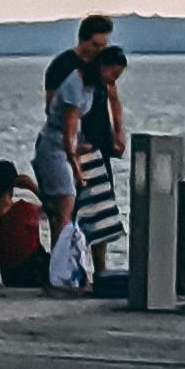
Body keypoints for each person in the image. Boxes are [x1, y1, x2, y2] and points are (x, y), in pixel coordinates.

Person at [34, 14, 112, 244]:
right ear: (84, 41)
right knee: (64, 207)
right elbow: (53, 108)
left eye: (103, 46)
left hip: (93, 145)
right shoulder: (63, 68)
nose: (99, 51)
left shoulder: (98, 72)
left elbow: (106, 101)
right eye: (95, 45)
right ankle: (63, 263)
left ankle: (96, 270)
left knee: (99, 215)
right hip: (67, 144)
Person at [75, 43, 129, 280]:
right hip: (87, 150)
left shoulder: (105, 89)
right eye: (113, 74)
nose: (114, 80)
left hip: (100, 150)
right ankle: (79, 264)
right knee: (84, 209)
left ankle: (100, 267)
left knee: (102, 211)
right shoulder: (87, 87)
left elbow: (114, 110)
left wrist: (118, 136)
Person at [0, 158, 49, 290]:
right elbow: (53, 211)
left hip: (8, 275)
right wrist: (33, 187)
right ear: (14, 185)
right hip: (32, 274)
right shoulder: (25, 210)